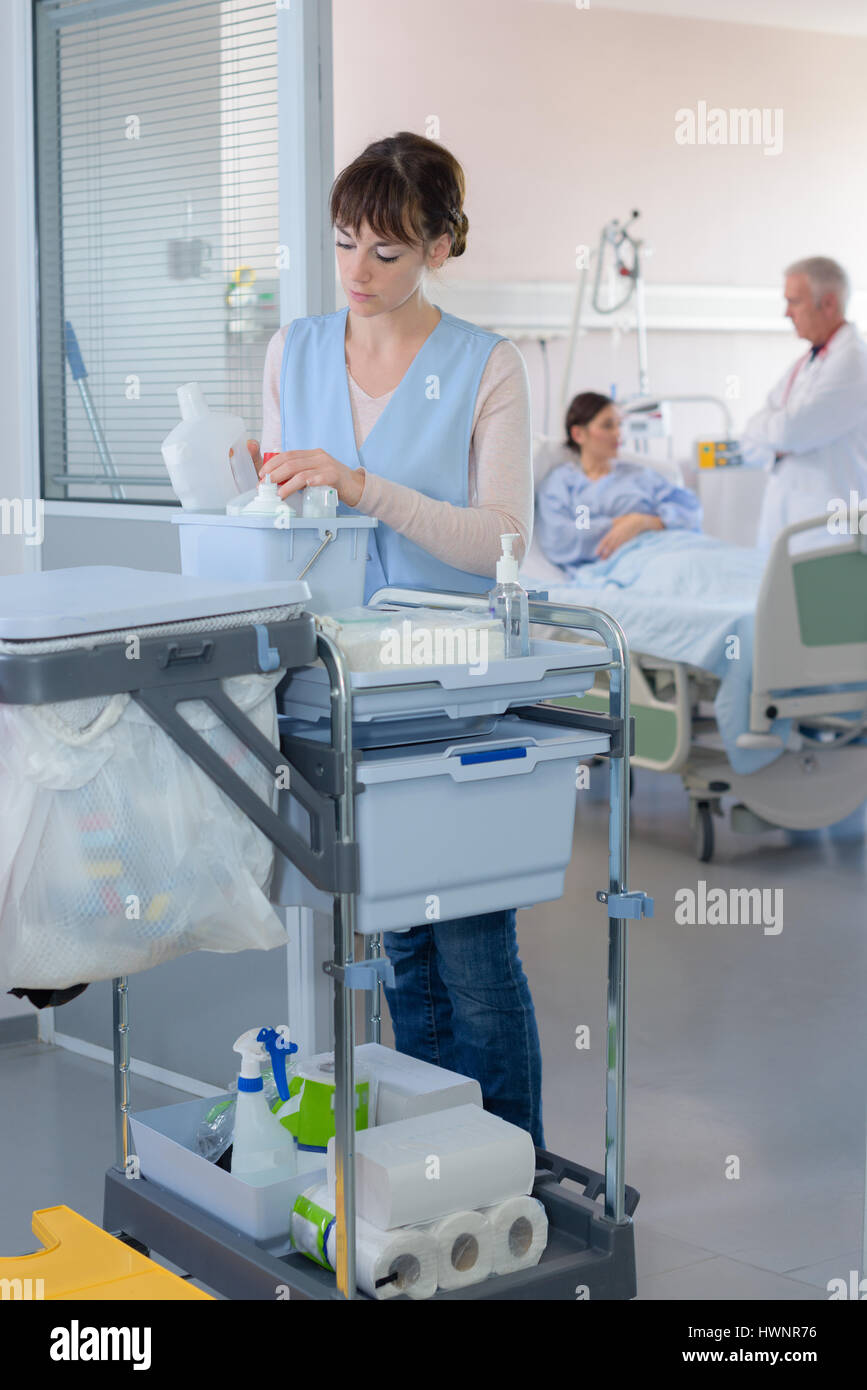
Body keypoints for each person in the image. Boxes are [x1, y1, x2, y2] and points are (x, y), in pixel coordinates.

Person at [246, 132, 543, 1146]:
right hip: (335, 691)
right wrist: (256, 497)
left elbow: (500, 539)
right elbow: (286, 525)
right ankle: (428, 1166)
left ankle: (510, 1170)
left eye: (386, 251)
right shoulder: (293, 350)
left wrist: (360, 484)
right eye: (343, 246)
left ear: (442, 247)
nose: (358, 274)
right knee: (399, 945)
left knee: (469, 941)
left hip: (453, 690)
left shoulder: (486, 366)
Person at [741, 257, 867, 548]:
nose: (787, 313)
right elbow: (749, 436)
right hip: (792, 523)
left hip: (832, 529)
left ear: (829, 304)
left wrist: (780, 435)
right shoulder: (805, 364)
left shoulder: (853, 364)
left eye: (794, 302)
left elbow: (789, 431)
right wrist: (778, 438)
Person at [535, 392, 702, 573]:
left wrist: (642, 522)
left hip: (675, 550)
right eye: (608, 425)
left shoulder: (639, 474)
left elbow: (690, 513)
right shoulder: (562, 484)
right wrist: (619, 525)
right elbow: (559, 539)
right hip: (628, 566)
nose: (618, 433)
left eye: (619, 424)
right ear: (578, 434)